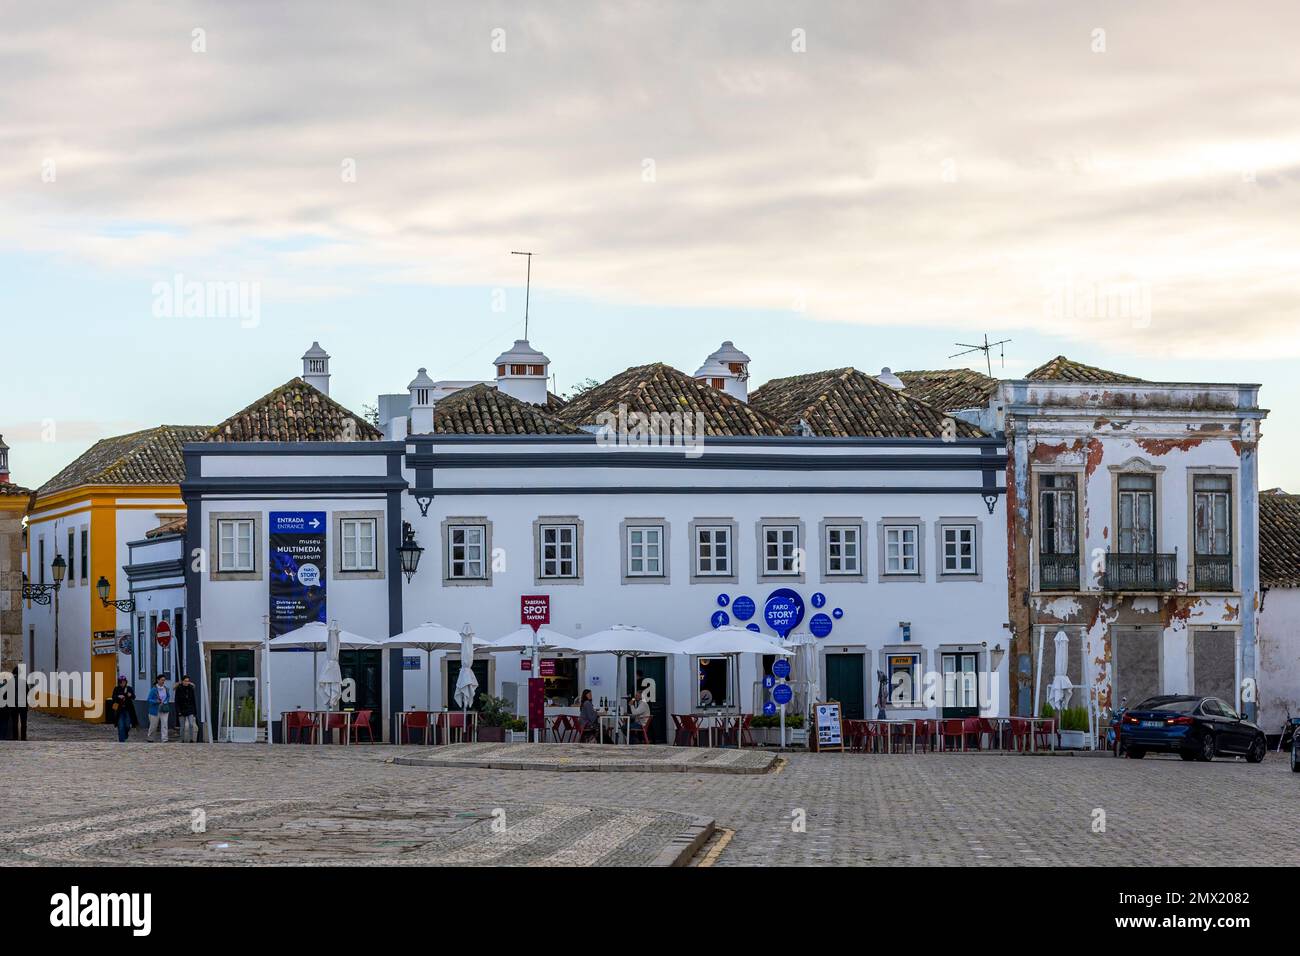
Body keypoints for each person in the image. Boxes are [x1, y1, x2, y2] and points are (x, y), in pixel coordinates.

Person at [110, 677, 137, 742]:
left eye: (124, 682)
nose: (123, 683)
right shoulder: (116, 689)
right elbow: (113, 697)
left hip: (128, 709)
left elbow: (134, 697)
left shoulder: (129, 688)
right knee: (121, 726)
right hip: (119, 710)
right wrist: (118, 696)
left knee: (127, 725)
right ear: (119, 682)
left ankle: (125, 734)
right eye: (121, 682)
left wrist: (130, 695)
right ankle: (121, 741)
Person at [146, 674, 171, 742]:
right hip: (155, 709)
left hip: (164, 709)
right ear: (158, 680)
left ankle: (164, 739)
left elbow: (168, 697)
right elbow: (149, 699)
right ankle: (150, 738)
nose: (163, 681)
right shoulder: (153, 689)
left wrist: (165, 702)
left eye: (164, 680)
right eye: (162, 680)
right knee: (153, 725)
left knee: (164, 724)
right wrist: (155, 701)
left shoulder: (166, 688)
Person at [175, 674, 198, 742]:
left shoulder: (191, 688)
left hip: (190, 709)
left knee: (191, 724)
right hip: (181, 709)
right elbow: (177, 701)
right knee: (182, 726)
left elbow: (193, 700)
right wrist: (178, 711)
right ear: (182, 681)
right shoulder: (179, 689)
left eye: (188, 681)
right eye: (185, 681)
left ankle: (191, 739)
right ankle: (182, 739)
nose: (186, 682)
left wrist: (194, 711)